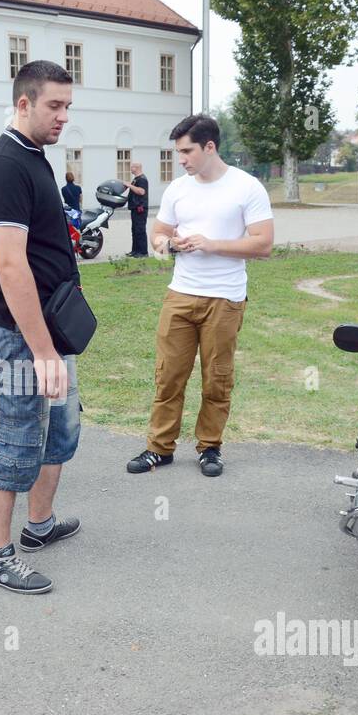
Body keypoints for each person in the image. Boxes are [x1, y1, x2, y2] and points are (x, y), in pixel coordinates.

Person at [0, 60, 83, 595]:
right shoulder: (5, 164)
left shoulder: (35, 157)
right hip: (17, 334)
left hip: (46, 327)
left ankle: (38, 526)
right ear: (23, 103)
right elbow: (10, 266)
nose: (63, 117)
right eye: (53, 106)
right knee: (14, 437)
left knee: (57, 431)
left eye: (67, 107)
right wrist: (41, 351)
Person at [126, 114, 274, 479]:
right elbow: (158, 234)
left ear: (210, 147)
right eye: (178, 152)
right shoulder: (179, 189)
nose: (182, 159)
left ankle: (210, 447)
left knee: (216, 378)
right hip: (180, 295)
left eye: (187, 151)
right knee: (169, 376)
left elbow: (263, 244)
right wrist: (168, 245)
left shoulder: (247, 187)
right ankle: (159, 449)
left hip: (224, 298)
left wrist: (213, 245)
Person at [126, 161, 149, 257]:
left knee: (140, 230)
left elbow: (141, 191)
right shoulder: (136, 179)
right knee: (134, 230)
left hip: (140, 208)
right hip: (135, 208)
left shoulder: (142, 179)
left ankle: (143, 252)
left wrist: (129, 185)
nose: (131, 169)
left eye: (132, 167)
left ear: (137, 167)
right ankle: (135, 251)